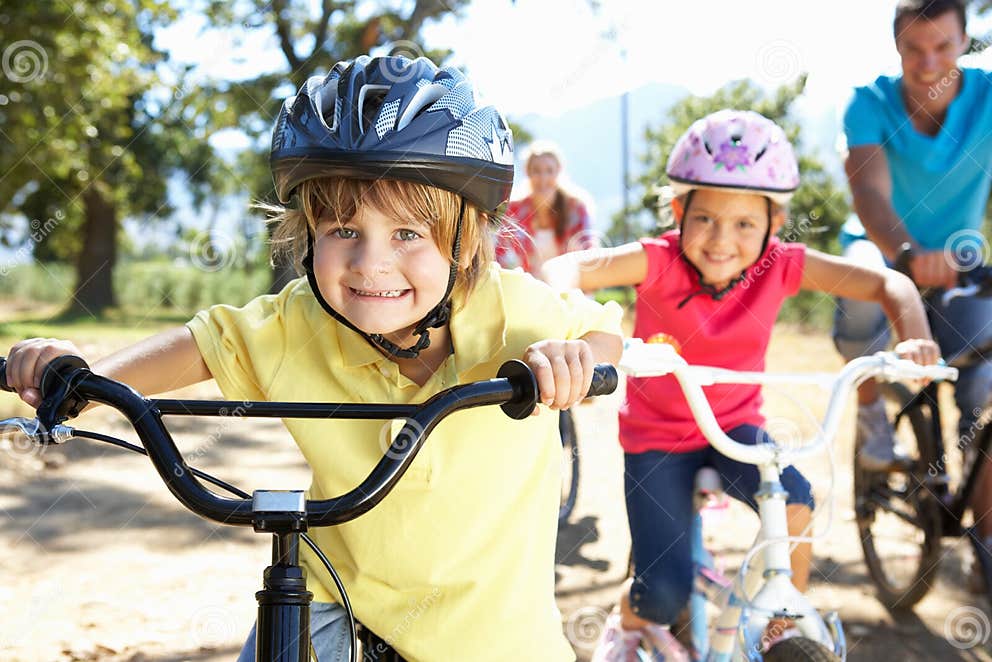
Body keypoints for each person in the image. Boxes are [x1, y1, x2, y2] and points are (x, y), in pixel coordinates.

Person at [3, 56, 623, 661]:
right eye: (343, 231)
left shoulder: (518, 312)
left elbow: (603, 337)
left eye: (408, 234)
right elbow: (200, 344)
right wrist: (76, 376)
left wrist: (572, 361)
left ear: (463, 241)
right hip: (338, 610)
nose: (370, 263)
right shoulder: (298, 320)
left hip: (496, 640)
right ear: (307, 236)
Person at [543, 110, 939, 660]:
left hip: (735, 428)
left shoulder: (779, 265)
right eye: (704, 219)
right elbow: (568, 268)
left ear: (774, 225)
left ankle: (784, 622)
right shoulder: (656, 260)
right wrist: (571, 322)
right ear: (678, 211)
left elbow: (888, 282)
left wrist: (913, 337)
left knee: (796, 496)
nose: (721, 240)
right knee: (660, 594)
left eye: (745, 224)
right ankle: (628, 619)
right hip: (657, 439)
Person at [834, 0, 992, 550]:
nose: (929, 63)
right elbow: (869, 192)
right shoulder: (870, 102)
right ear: (897, 46)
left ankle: (984, 548)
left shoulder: (988, 97)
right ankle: (872, 416)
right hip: (883, 251)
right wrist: (905, 253)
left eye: (944, 47)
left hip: (963, 263)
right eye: (914, 49)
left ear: (966, 41)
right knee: (857, 285)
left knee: (983, 391)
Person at [496, 140, 597, 278]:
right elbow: (498, 253)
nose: (543, 178)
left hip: (570, 287)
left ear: (559, 172)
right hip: (529, 290)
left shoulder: (577, 209)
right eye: (536, 170)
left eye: (549, 171)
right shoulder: (514, 210)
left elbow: (590, 255)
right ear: (527, 173)